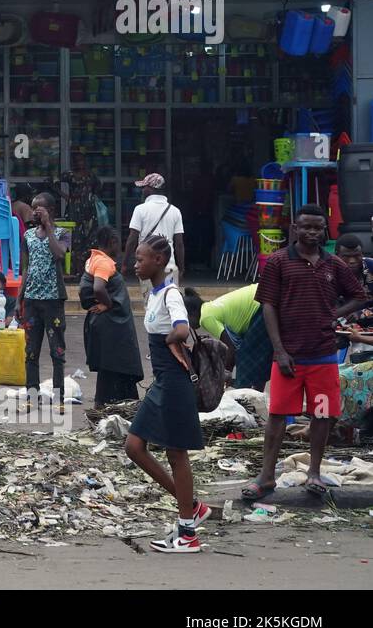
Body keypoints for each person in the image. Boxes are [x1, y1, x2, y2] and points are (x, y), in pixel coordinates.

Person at [241, 204, 367, 501]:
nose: (311, 232)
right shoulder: (278, 262)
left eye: (317, 227)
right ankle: (266, 476)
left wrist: (332, 315)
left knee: (322, 414)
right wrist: (279, 350)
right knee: (277, 415)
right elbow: (268, 305)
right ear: (294, 229)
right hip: (289, 356)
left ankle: (314, 472)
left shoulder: (333, 264)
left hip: (323, 355)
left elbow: (359, 296)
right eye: (306, 226)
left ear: (325, 230)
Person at [125, 235, 212, 554]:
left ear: (158, 261)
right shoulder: (155, 292)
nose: (136, 264)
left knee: (177, 455)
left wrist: (168, 341)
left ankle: (188, 532)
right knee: (134, 446)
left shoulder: (171, 293)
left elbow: (182, 328)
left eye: (140, 259)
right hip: (162, 381)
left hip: (174, 381)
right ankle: (191, 505)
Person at [80, 226, 144, 406]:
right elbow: (98, 288)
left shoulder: (93, 259)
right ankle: (113, 407)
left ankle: (110, 406)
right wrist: (107, 304)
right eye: (119, 243)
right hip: (111, 326)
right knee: (117, 367)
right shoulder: (103, 262)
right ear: (113, 242)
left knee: (109, 370)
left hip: (104, 325)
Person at [19, 192, 68, 409]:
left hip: (52, 301)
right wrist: (19, 299)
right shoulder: (28, 236)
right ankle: (32, 397)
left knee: (57, 350)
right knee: (31, 351)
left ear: (51, 210)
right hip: (31, 300)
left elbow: (59, 254)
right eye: (33, 208)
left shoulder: (62, 233)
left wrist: (48, 227)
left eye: (39, 209)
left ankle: (59, 398)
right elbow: (26, 268)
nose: (34, 213)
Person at [124, 173, 185, 289]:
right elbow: (179, 244)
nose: (142, 190)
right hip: (170, 266)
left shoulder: (140, 209)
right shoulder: (175, 211)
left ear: (150, 189)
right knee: (170, 303)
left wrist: (125, 264)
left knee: (151, 304)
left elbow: (132, 239)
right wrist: (181, 269)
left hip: (148, 268)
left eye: (144, 187)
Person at [198, 283, 266, 388]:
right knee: (252, 359)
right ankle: (251, 389)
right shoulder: (207, 308)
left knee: (247, 359)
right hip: (261, 293)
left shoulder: (205, 318)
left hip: (260, 301)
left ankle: (247, 393)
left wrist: (225, 374)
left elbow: (231, 348)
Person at [61, 150, 101, 277]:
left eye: (82, 160)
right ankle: (74, 269)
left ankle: (88, 268)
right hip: (74, 211)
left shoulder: (91, 175)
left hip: (89, 211)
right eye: (77, 160)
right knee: (74, 239)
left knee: (90, 239)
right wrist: (67, 197)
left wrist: (89, 197)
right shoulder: (69, 175)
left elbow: (98, 188)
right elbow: (54, 183)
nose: (80, 163)